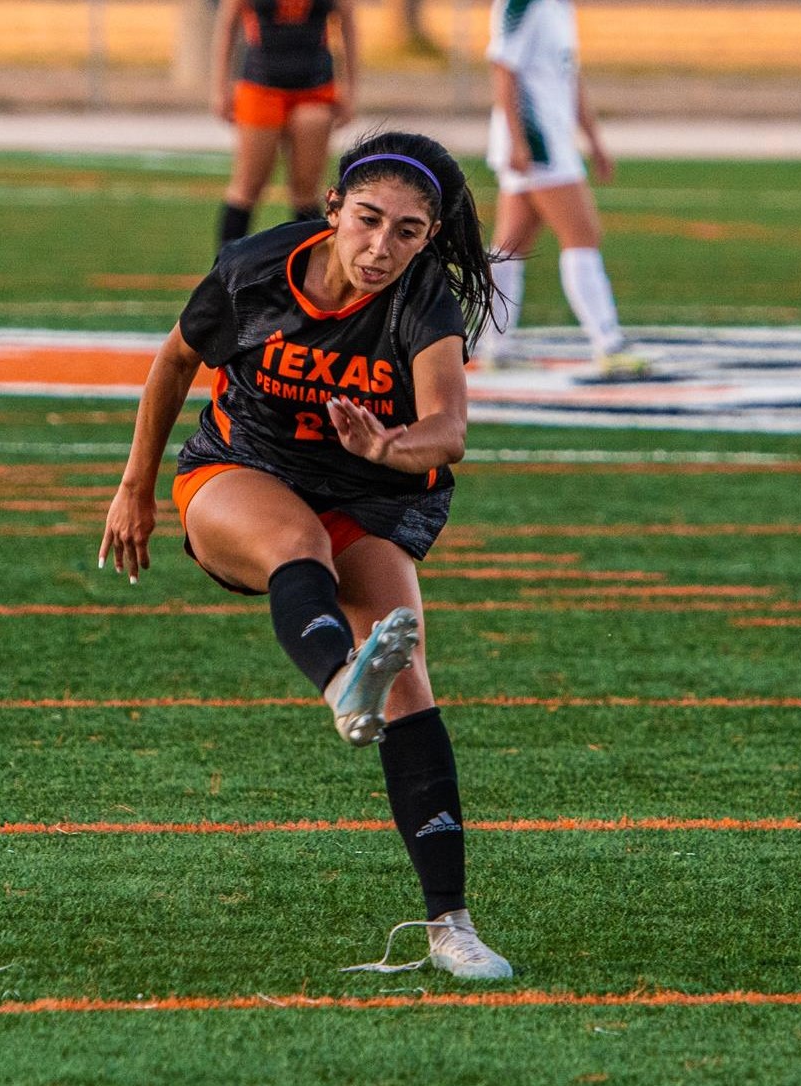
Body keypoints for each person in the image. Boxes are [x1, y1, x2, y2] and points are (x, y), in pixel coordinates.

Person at [100, 131, 513, 980]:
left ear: (429, 238)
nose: (381, 246)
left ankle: (451, 928)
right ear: (331, 212)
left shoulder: (421, 299)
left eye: (406, 231)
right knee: (299, 543)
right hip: (241, 469)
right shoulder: (255, 270)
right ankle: (339, 682)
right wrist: (135, 485)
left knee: (408, 677)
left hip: (370, 492)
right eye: (367, 220)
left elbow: (450, 431)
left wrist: (388, 445)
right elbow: (176, 359)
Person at [474, 0, 649, 378]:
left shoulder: (559, 6)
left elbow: (569, 77)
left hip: (552, 139)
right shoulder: (521, 4)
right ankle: (608, 342)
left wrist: (593, 139)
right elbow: (504, 69)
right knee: (582, 234)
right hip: (538, 142)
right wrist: (519, 140)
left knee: (510, 246)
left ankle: (493, 345)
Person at [211, 0, 358, 250]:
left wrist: (350, 89)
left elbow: (348, 23)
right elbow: (228, 24)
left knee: (307, 190)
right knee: (248, 185)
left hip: (314, 87)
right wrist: (220, 87)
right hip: (261, 85)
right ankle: (225, 272)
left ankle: (307, 274)